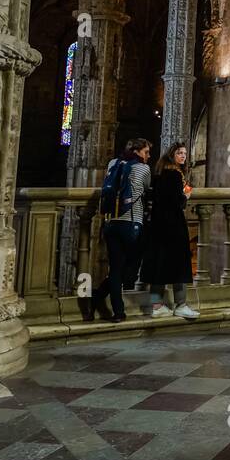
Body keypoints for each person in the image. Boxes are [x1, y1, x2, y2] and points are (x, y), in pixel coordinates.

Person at [87, 138, 152, 323]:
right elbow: (146, 188)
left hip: (111, 222)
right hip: (131, 223)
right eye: (146, 152)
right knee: (131, 269)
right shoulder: (143, 168)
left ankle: (114, 309)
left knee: (115, 269)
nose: (148, 156)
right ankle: (101, 299)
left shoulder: (113, 163)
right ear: (138, 151)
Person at [141, 142, 199, 320]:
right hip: (173, 225)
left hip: (158, 225)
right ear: (172, 154)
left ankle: (156, 305)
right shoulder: (174, 174)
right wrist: (185, 196)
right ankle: (180, 304)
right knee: (180, 265)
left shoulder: (159, 172)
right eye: (180, 153)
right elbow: (176, 202)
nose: (183, 156)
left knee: (159, 265)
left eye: (184, 153)